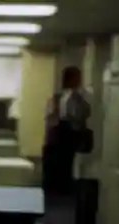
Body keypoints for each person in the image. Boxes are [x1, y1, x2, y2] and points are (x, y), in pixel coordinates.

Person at [43, 66, 92, 195]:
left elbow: (84, 114)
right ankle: (57, 188)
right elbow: (51, 116)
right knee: (59, 162)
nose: (79, 81)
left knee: (67, 162)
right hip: (61, 131)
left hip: (70, 132)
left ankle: (63, 188)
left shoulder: (79, 97)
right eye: (78, 78)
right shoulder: (59, 97)